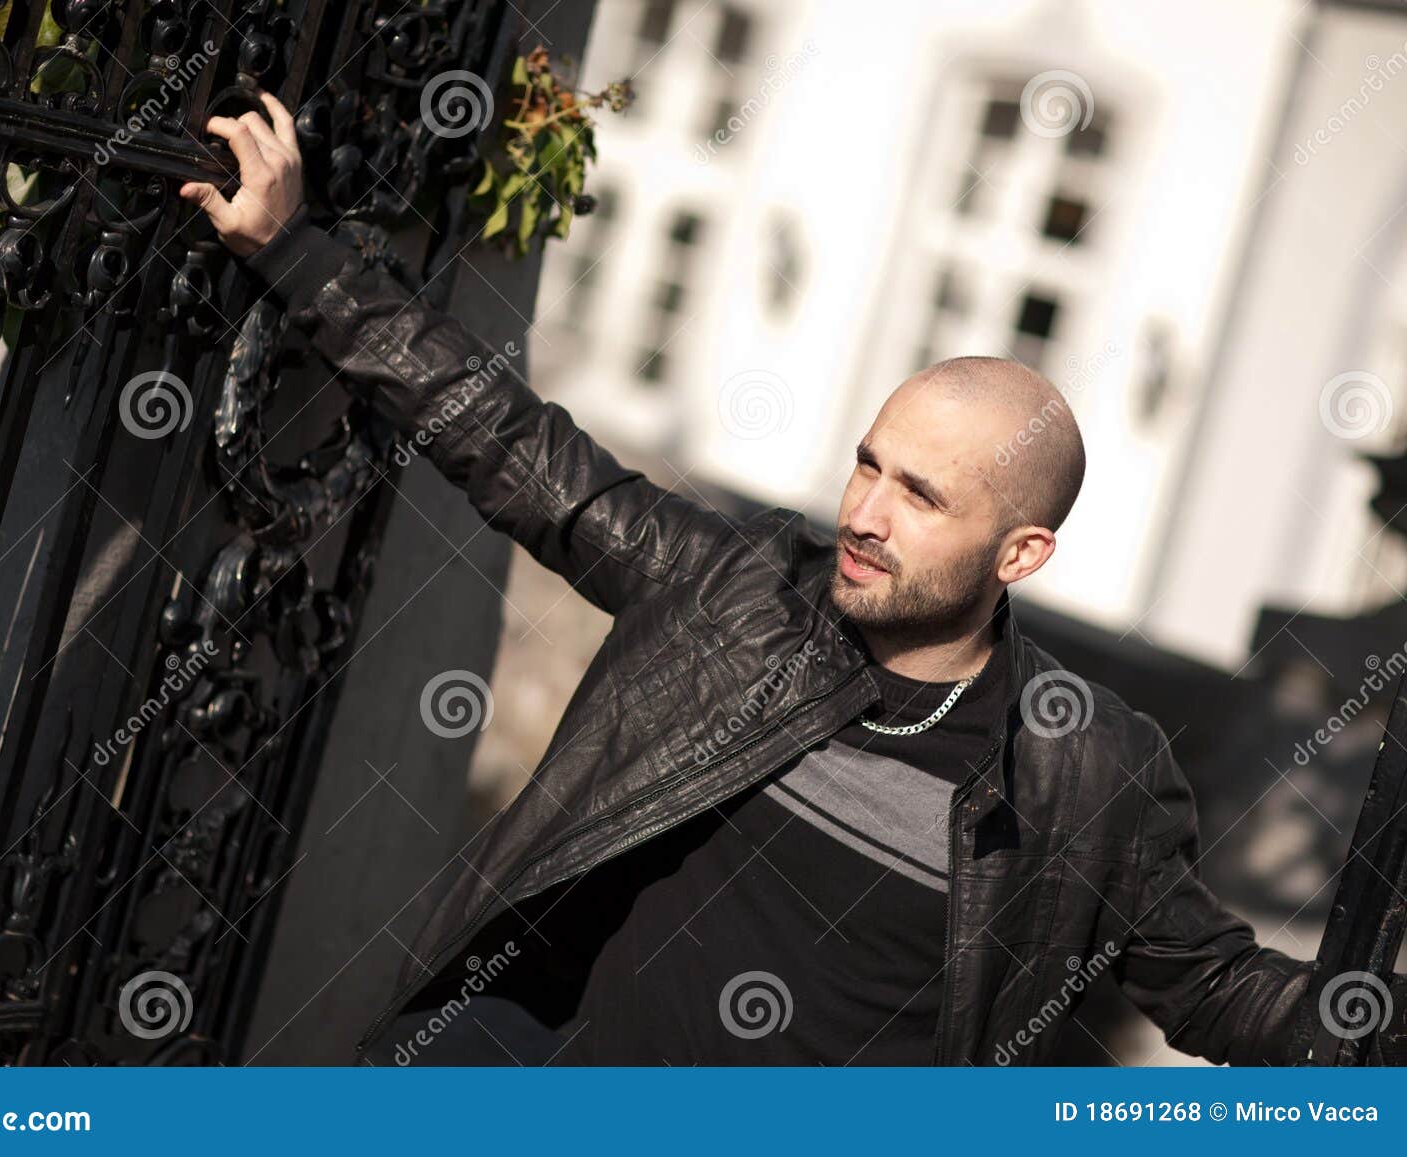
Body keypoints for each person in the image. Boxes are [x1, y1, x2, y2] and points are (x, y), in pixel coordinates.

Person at [180, 95, 1402, 1066]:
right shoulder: (735, 592)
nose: (863, 514)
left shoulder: (1083, 772)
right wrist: (299, 255)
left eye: (922, 497)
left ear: (1021, 553)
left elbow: (1215, 989)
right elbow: (503, 439)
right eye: (869, 464)